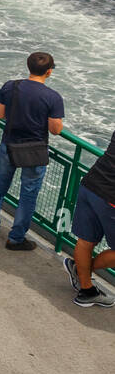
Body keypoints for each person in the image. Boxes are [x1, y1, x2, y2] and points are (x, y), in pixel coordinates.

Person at [0, 52, 64, 250]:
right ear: (49, 72)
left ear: (29, 67)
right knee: (28, 195)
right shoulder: (53, 97)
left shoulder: (11, 85)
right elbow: (56, 130)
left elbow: (1, 115)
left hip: (8, 145)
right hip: (34, 150)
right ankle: (16, 238)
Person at [62, 129, 115, 308]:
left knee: (85, 240)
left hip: (91, 184)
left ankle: (87, 290)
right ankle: (81, 269)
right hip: (110, 198)